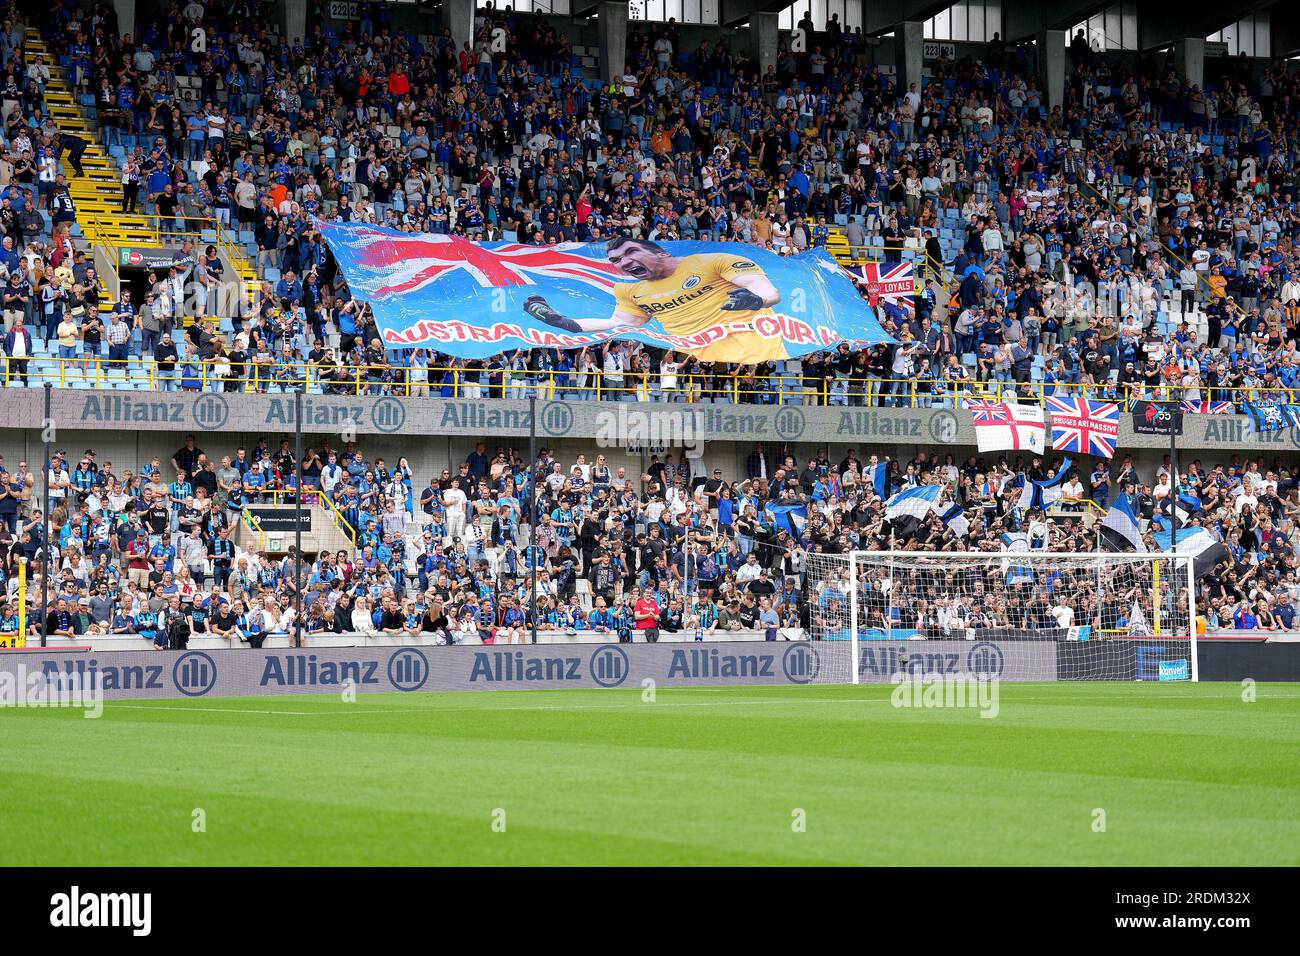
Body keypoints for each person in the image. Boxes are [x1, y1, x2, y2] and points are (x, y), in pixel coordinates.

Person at [523, 237, 789, 363]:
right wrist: (562, 321)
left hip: (757, 357)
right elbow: (616, 322)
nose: (624, 262)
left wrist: (754, 300)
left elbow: (769, 292)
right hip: (700, 361)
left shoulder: (715, 261)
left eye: (630, 252)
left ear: (660, 252)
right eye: (616, 260)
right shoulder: (632, 291)